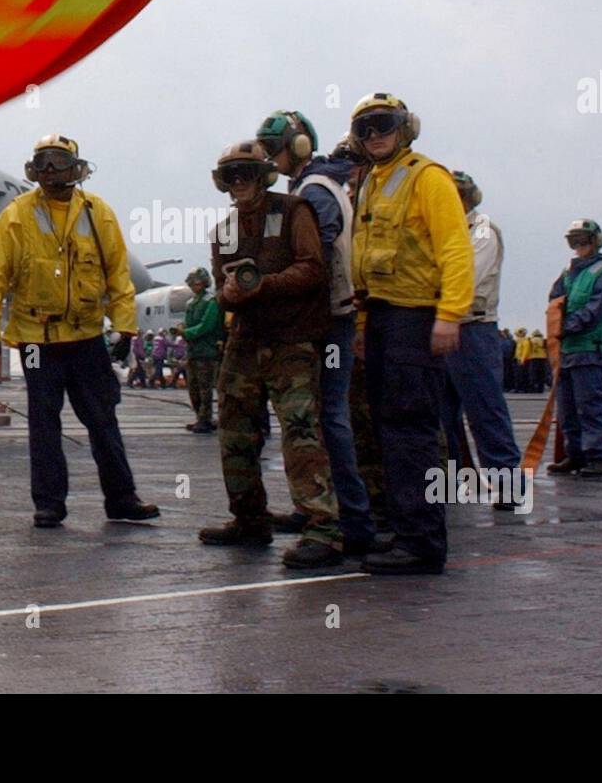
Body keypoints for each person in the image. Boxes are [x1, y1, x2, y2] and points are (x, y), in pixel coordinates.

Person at [0, 134, 159, 527]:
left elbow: (117, 277)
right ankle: (49, 503)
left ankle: (122, 499)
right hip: (36, 339)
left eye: (58, 161)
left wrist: (125, 328)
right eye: (43, 163)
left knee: (103, 419)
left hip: (86, 337)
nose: (50, 170)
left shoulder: (98, 214)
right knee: (44, 423)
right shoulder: (15, 215)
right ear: (33, 169)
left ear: (76, 168)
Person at [200, 139, 343, 569]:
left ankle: (324, 528)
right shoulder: (223, 230)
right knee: (235, 430)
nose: (240, 182)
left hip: (292, 340)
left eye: (247, 173)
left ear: (264, 175)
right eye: (232, 176)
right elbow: (222, 295)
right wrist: (228, 294)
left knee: (300, 430)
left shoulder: (294, 211)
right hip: (246, 340)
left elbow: (313, 269)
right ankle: (249, 518)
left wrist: (263, 284)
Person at [349, 92, 474, 575]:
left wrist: (450, 315)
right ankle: (406, 531)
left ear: (405, 127)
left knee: (412, 431)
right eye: (365, 129)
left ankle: (423, 543)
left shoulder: (427, 178)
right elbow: (363, 264)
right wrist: (361, 326)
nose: (374, 136)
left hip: (416, 318)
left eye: (383, 125)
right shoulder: (373, 184)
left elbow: (455, 249)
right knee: (391, 431)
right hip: (382, 318)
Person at [257, 109, 379, 553]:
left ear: (300, 145)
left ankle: (349, 522)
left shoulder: (315, 191)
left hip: (326, 322)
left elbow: (316, 261)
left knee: (326, 421)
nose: (272, 159)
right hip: (329, 319)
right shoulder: (313, 186)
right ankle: (329, 509)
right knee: (325, 420)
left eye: (275, 148)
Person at [439, 171, 521, 505]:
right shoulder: (443, 232)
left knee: (485, 409)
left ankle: (508, 484)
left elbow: (465, 278)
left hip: (473, 327)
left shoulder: (482, 230)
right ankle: (450, 480)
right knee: (441, 414)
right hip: (443, 324)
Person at [545, 219, 602, 479]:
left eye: (583, 240)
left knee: (591, 407)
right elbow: (555, 298)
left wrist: (566, 325)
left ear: (595, 241)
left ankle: (598, 458)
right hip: (567, 351)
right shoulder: (569, 273)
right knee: (566, 410)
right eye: (574, 240)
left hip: (589, 350)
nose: (579, 245)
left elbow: (595, 311)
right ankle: (575, 455)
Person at [182, 267, 221, 432]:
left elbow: (207, 325)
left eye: (196, 282)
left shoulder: (211, 301)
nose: (193, 286)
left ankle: (205, 419)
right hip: (193, 351)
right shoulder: (191, 303)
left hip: (206, 351)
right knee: (193, 388)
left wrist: (187, 333)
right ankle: (200, 417)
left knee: (205, 388)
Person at [513, 327, 531, 392]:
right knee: (518, 375)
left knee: (522, 374)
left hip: (523, 360)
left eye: (519, 333)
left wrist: (522, 360)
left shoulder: (525, 341)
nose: (517, 335)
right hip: (518, 359)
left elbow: (525, 351)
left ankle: (523, 388)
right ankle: (519, 388)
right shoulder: (520, 341)